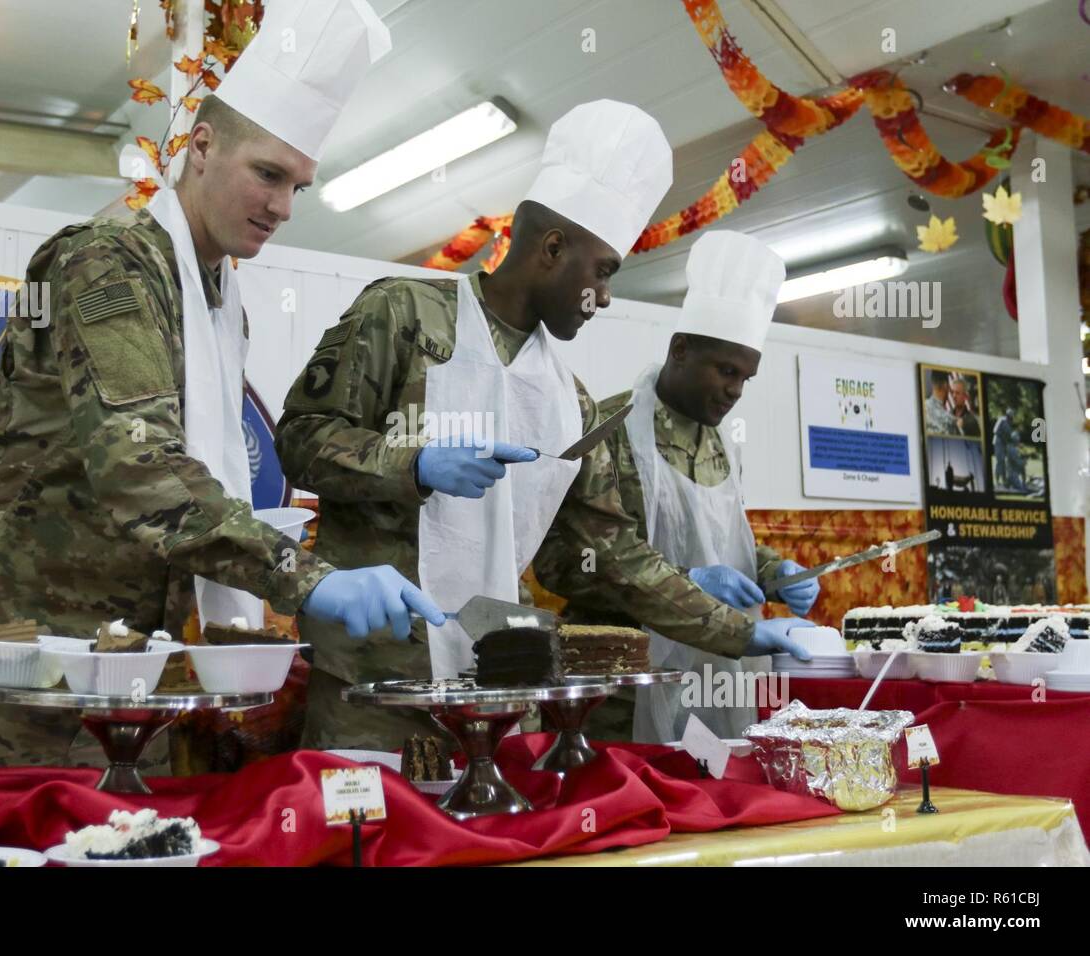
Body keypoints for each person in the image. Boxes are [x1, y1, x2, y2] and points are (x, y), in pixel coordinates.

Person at [0, 0, 446, 813]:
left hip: (119, 654)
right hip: (2, 638)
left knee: (98, 844)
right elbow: (140, 468)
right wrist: (308, 578)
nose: (283, 207)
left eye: (299, 185)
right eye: (267, 174)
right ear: (200, 146)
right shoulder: (111, 263)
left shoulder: (221, 297)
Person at [275, 101, 813, 750]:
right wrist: (410, 463)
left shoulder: (571, 406)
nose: (606, 297)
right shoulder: (405, 315)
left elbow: (604, 555)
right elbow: (300, 440)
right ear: (553, 248)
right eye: (604, 270)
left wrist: (741, 631)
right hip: (374, 684)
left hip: (498, 685)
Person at [553, 230, 819, 742]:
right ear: (680, 350)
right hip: (618, 690)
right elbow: (561, 566)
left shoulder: (722, 445)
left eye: (745, 378)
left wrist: (773, 571)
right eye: (725, 370)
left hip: (714, 685)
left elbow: (722, 543)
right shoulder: (606, 429)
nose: (734, 391)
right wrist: (687, 578)